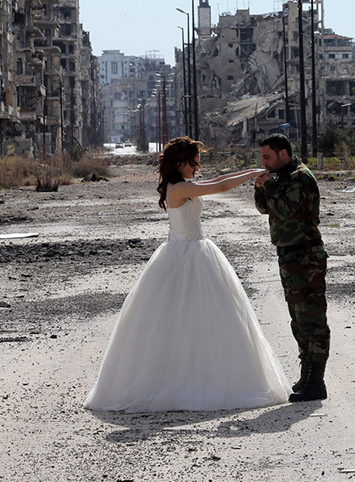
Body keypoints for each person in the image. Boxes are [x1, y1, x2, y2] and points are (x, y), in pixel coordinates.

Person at [84, 137, 290, 412]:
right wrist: (253, 173)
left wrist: (251, 171)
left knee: (198, 318)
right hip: (187, 253)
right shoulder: (179, 188)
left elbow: (219, 178)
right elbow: (218, 186)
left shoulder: (183, 185)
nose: (198, 166)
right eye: (194, 161)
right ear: (180, 163)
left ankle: (197, 372)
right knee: (184, 318)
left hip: (191, 251)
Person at [254, 134, 330, 402]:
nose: (263, 162)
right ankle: (307, 375)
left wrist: (271, 187)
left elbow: (288, 211)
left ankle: (316, 382)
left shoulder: (300, 177)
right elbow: (266, 209)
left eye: (267, 157)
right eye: (262, 157)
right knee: (298, 319)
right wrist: (260, 187)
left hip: (306, 255)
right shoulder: (280, 177)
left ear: (283, 154)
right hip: (288, 255)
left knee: (313, 319)